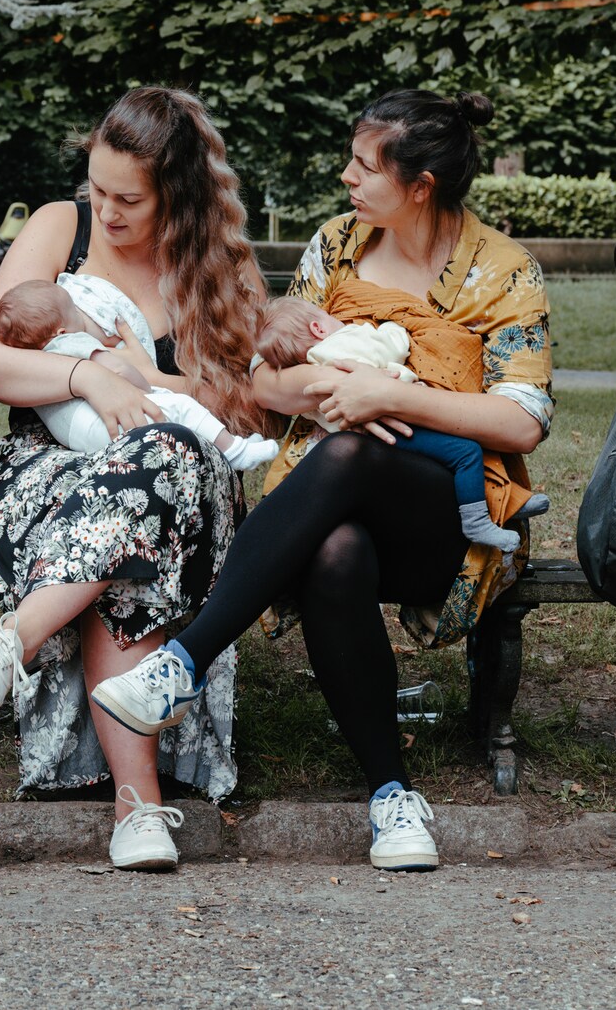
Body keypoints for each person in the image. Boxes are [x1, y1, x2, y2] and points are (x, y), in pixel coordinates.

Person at [90, 89, 553, 873]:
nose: (347, 177)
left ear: (420, 185)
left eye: (365, 165)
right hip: (330, 514)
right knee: (336, 549)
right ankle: (392, 799)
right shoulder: (335, 248)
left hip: (443, 514)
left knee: (349, 453)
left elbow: (522, 420)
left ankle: (183, 662)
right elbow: (263, 386)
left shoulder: (502, 271)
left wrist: (390, 393)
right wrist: (325, 387)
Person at [0, 87, 262, 872]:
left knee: (155, 473)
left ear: (180, 195)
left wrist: (148, 379)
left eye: (129, 199)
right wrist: (91, 375)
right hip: (47, 471)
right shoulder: (61, 224)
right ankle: (139, 805)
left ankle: (13, 642)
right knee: (133, 527)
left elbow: (244, 408)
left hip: (182, 478)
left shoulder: (214, 264)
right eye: (98, 188)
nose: (108, 210)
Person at [254, 294, 547, 550]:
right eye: (329, 317)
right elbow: (391, 346)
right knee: (466, 453)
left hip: (370, 444)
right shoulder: (345, 341)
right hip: (402, 425)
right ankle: (480, 520)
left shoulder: (312, 364)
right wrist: (393, 327)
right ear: (318, 328)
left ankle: (509, 502)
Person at [0, 278, 277, 469]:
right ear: (61, 329)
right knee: (181, 407)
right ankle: (237, 452)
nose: (81, 317)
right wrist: (147, 385)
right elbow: (117, 368)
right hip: (104, 422)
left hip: (78, 435)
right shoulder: (69, 342)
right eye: (75, 313)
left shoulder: (37, 358)